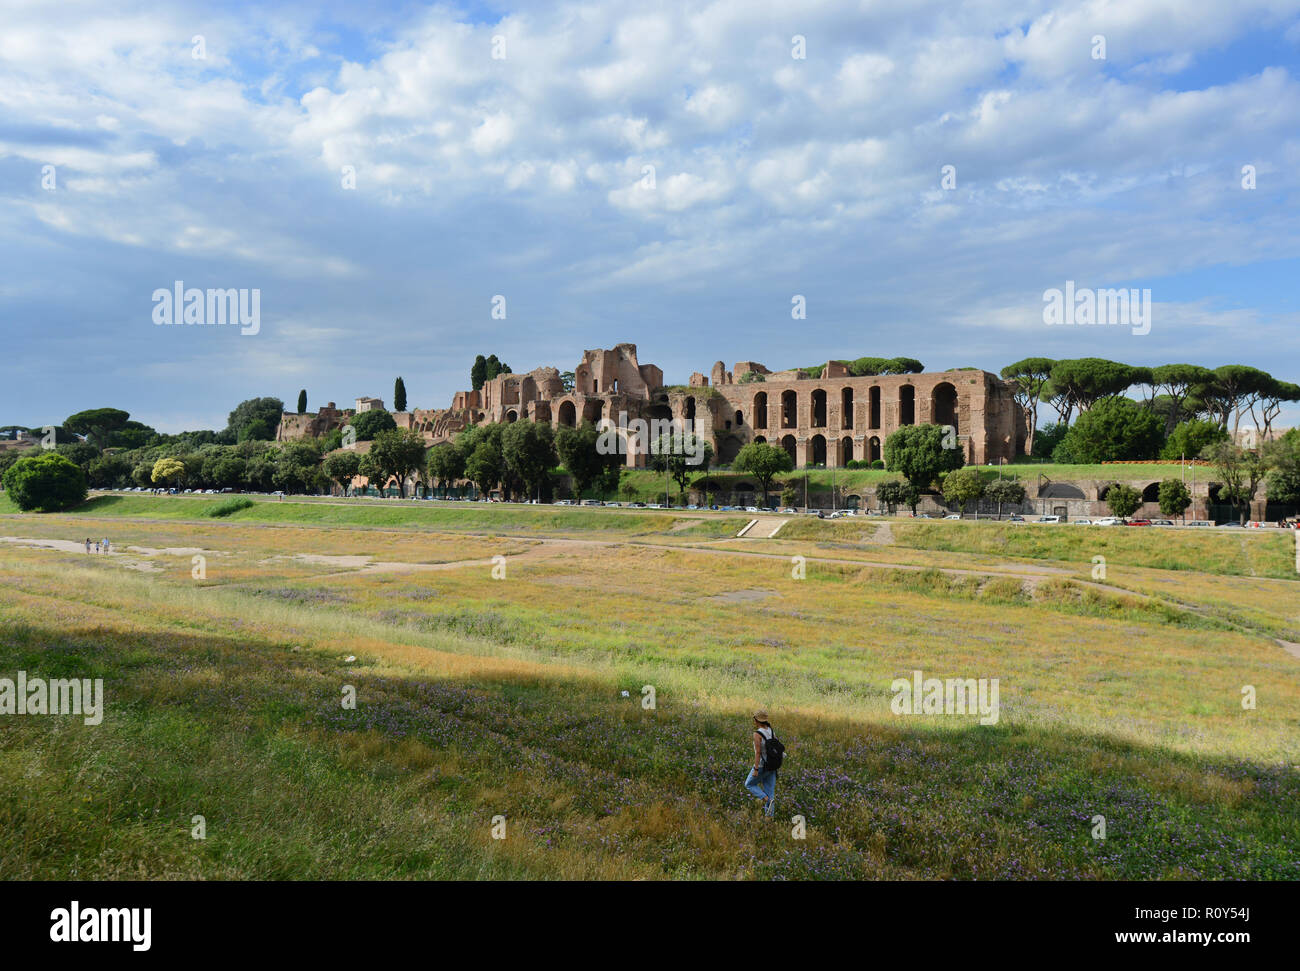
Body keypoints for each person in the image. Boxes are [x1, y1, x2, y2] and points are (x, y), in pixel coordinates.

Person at [743, 709, 778, 819]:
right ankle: (769, 818)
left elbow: (758, 752)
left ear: (757, 720)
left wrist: (756, 769)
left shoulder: (757, 734)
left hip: (763, 765)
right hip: (773, 765)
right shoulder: (771, 731)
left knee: (749, 784)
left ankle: (766, 799)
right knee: (770, 791)